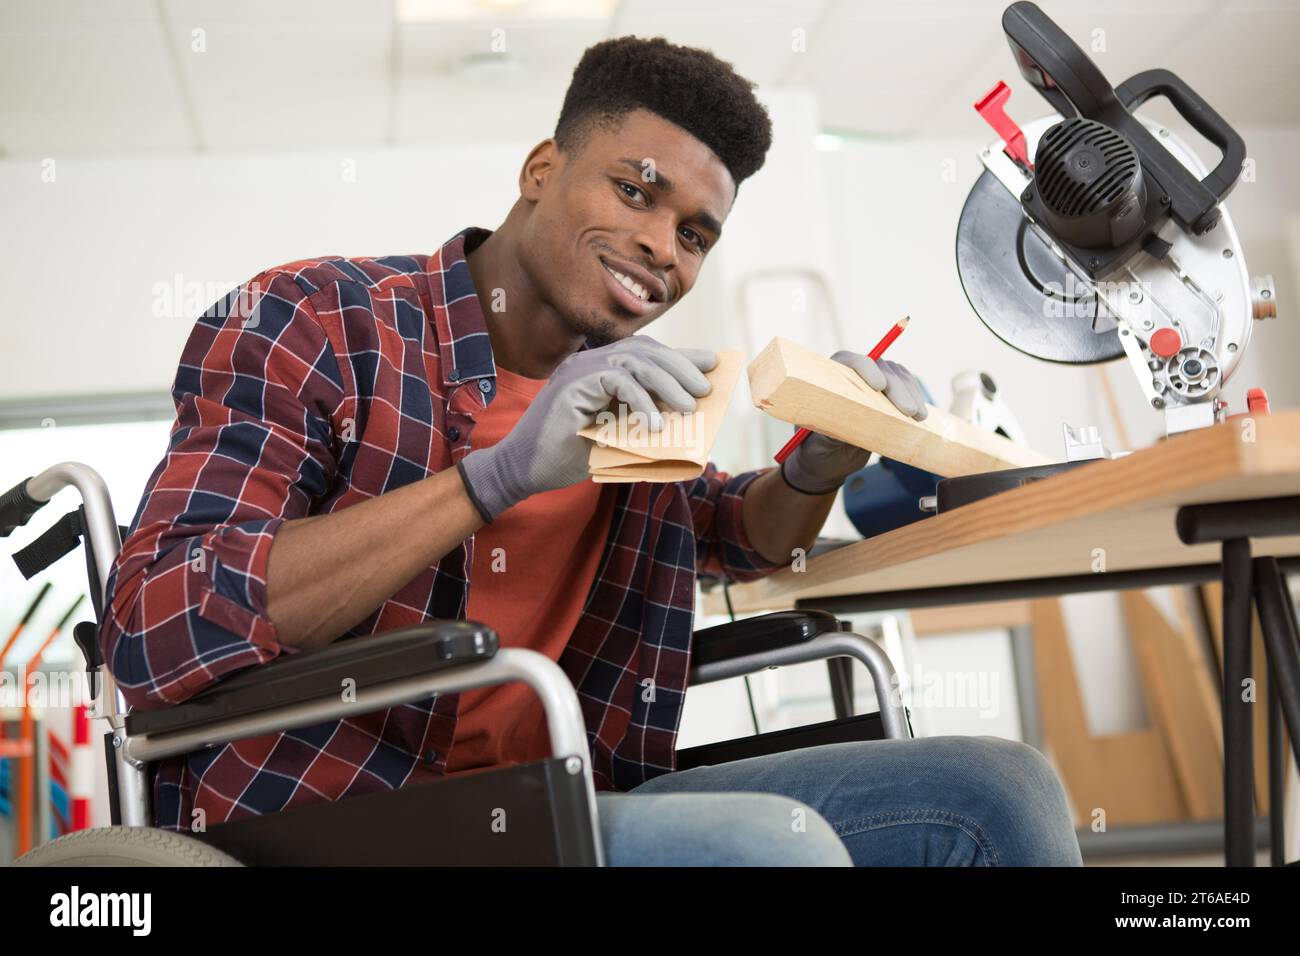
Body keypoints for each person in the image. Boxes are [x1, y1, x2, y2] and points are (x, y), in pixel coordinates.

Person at [101, 35, 1080, 867]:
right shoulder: (315, 322)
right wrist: (491, 479)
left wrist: (815, 466)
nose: (662, 245)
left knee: (999, 787)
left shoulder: (629, 381)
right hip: (336, 807)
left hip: (566, 791)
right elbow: (155, 624)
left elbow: (731, 530)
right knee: (771, 848)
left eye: (695, 233)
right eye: (635, 191)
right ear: (540, 171)